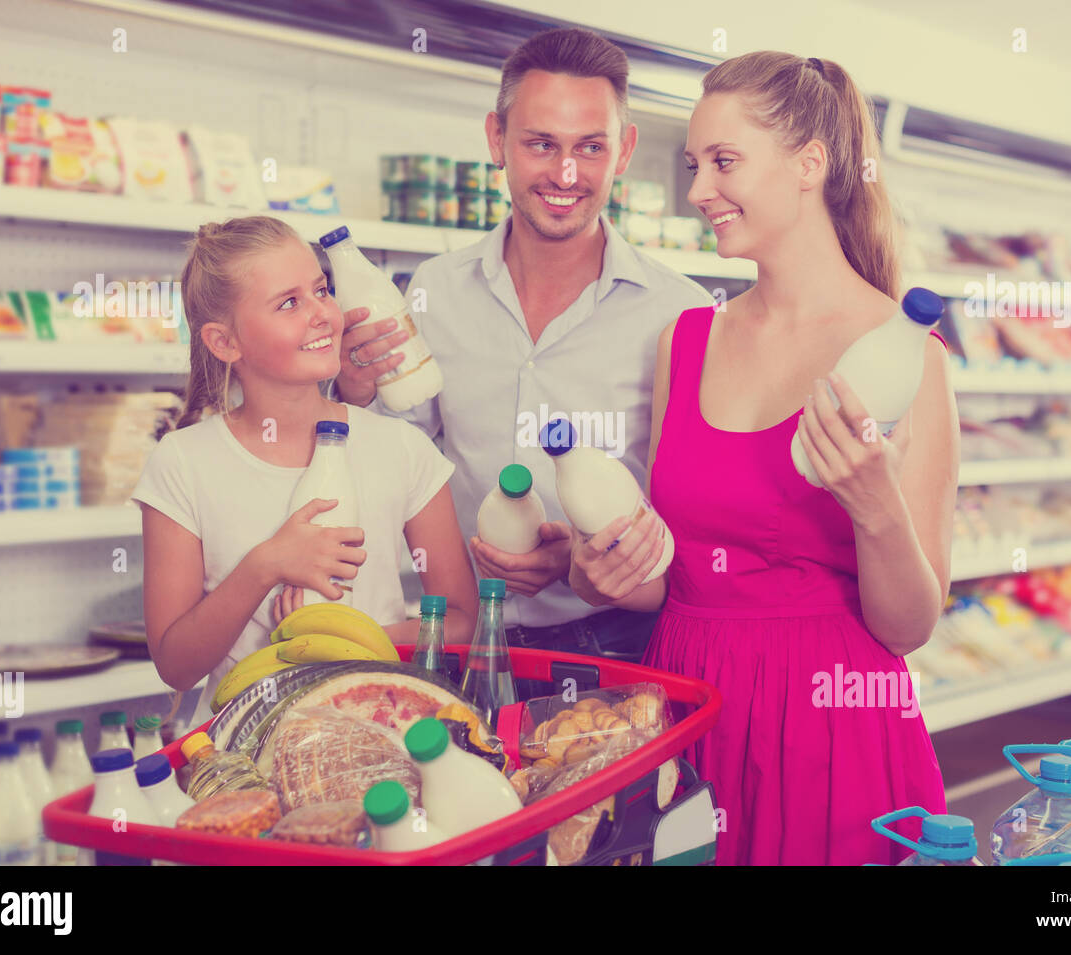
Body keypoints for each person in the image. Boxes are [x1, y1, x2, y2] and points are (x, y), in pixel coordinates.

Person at [568, 52, 959, 865]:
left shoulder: (907, 357)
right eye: (693, 165)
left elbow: (910, 625)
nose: (700, 189)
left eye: (724, 162)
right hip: (683, 705)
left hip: (830, 724)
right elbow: (674, 573)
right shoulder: (690, 338)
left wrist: (875, 504)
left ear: (809, 165)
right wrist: (602, 567)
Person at [333, 28, 711, 676]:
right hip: (462, 636)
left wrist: (581, 559)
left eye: (590, 147)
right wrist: (357, 393)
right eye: (541, 144)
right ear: (496, 139)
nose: (566, 174)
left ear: (624, 151)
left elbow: (697, 509)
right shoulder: (435, 290)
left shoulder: (680, 312)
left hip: (621, 639)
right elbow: (405, 464)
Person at [133, 216, 478, 726]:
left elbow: (462, 621)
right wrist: (265, 565)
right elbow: (176, 665)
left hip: (380, 733)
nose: (323, 314)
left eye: (322, 289)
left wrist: (346, 634)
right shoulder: (183, 463)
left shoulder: (400, 447)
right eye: (289, 303)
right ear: (225, 343)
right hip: (241, 756)